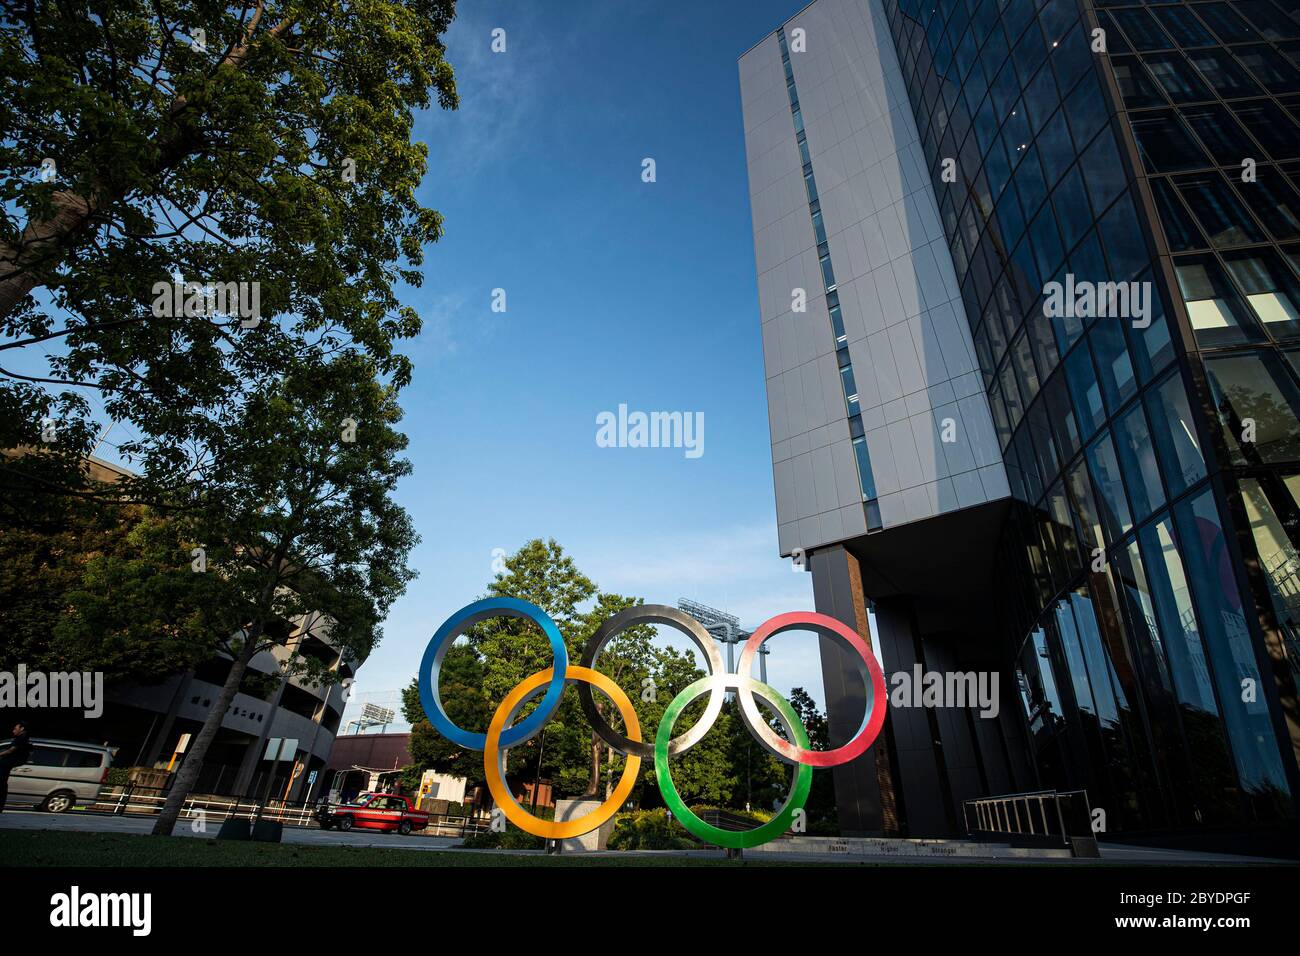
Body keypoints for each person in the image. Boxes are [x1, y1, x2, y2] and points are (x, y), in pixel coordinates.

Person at [0, 721, 32, 813]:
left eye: (15, 728)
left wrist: (0, 754)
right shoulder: (24, 739)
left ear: (22, 729)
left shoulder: (21, 738)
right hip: (7, 765)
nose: (13, 730)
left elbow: (11, 750)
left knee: (1, 786)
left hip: (6, 765)